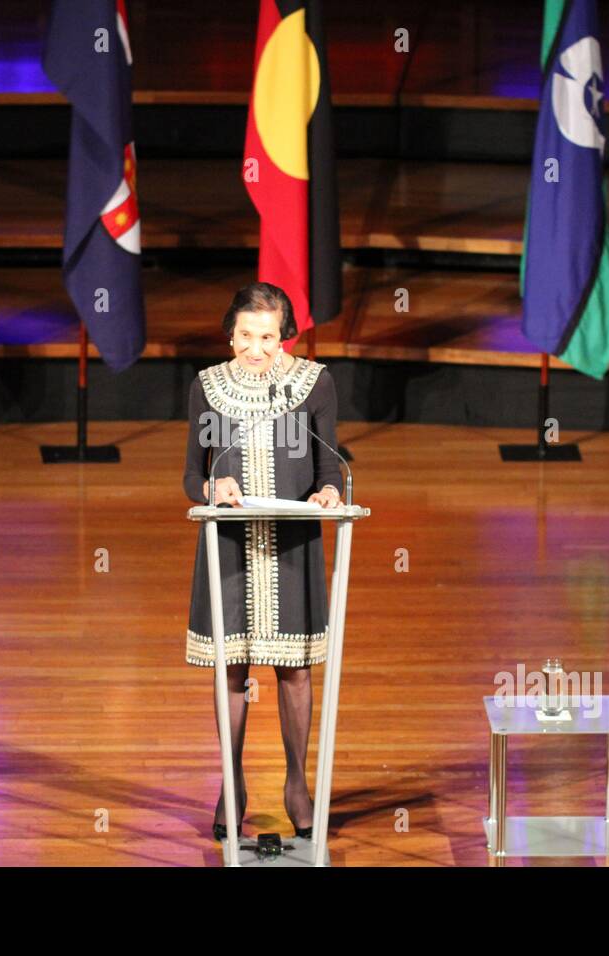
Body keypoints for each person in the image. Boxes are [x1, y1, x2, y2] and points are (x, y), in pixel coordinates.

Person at [182, 281, 343, 843]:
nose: (256, 348)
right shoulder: (208, 389)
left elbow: (330, 469)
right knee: (233, 669)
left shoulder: (314, 385)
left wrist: (327, 493)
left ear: (285, 338)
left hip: (293, 546)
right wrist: (212, 483)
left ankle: (297, 785)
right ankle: (233, 785)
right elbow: (189, 475)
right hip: (228, 548)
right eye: (246, 336)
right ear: (230, 336)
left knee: (294, 668)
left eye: (267, 337)